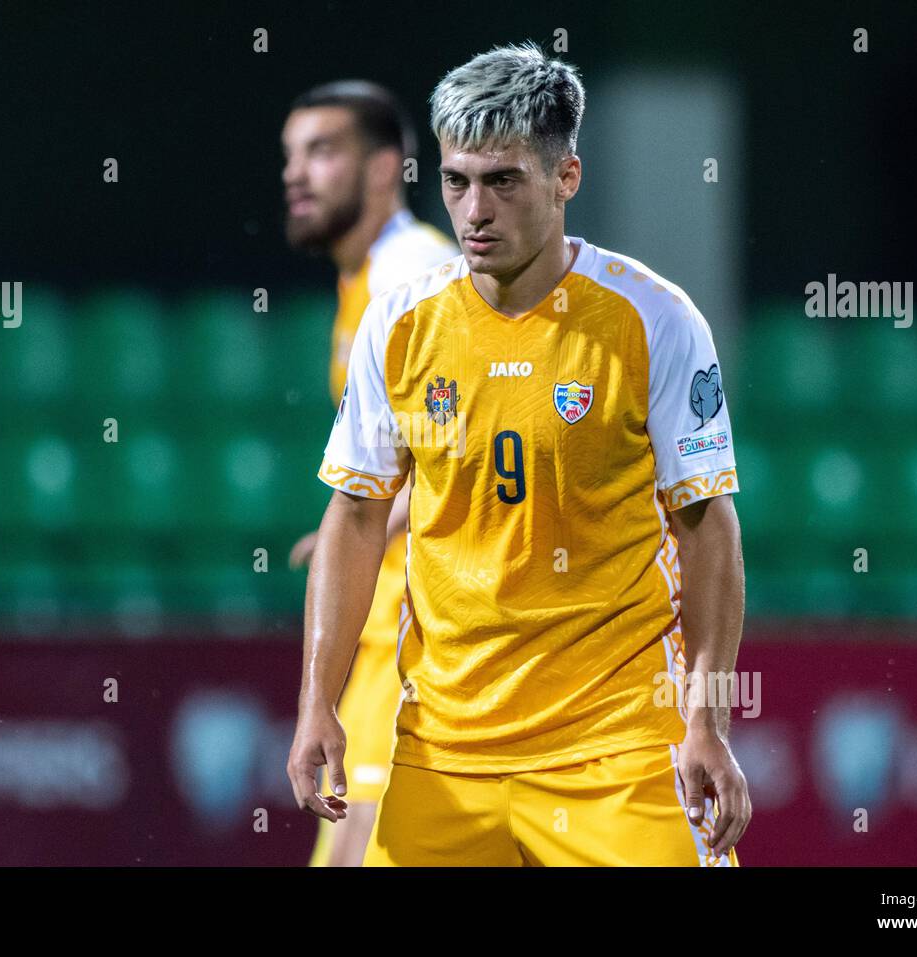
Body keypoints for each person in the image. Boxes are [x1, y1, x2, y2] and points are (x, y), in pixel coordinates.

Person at [287, 41, 751, 866]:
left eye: (504, 182)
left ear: (566, 177)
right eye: (457, 182)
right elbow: (355, 516)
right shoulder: (398, 325)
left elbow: (707, 525)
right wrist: (316, 701)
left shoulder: (655, 320)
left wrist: (706, 720)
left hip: (618, 750)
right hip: (443, 753)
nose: (474, 212)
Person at [280, 79, 458, 866]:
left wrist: (357, 527)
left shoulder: (417, 276)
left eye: (321, 152)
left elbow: (462, 448)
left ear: (386, 168)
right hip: (386, 626)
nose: (295, 174)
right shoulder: (369, 280)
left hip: (419, 631)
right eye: (290, 155)